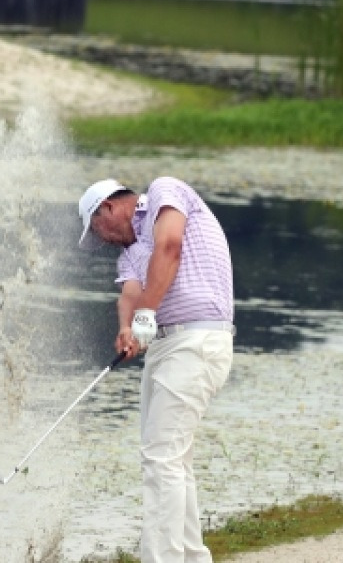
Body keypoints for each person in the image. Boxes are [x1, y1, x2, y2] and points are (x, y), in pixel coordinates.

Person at [77, 177, 234, 563]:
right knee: (172, 460)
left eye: (97, 229)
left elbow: (169, 247)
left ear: (108, 208)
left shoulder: (167, 191)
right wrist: (128, 327)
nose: (102, 240)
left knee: (162, 458)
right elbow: (131, 293)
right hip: (165, 348)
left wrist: (145, 315)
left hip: (197, 341)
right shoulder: (130, 253)